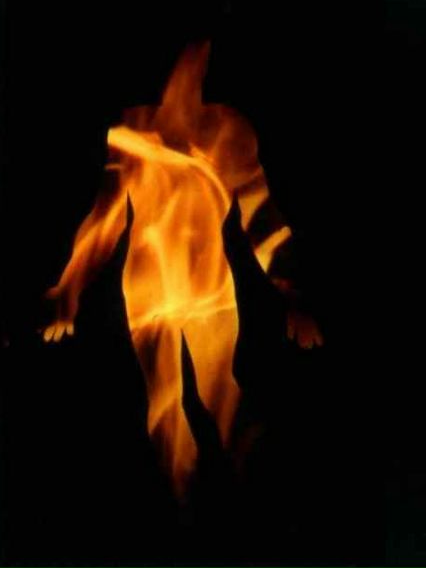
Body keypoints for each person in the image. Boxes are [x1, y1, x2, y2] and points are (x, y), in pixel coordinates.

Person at [42, 41, 322, 495]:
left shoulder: (228, 128)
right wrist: (68, 289)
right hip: (148, 299)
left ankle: (256, 501)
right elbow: (104, 219)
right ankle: (185, 508)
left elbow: (262, 217)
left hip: (212, 297)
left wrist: (292, 293)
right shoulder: (130, 128)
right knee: (164, 414)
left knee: (226, 401)